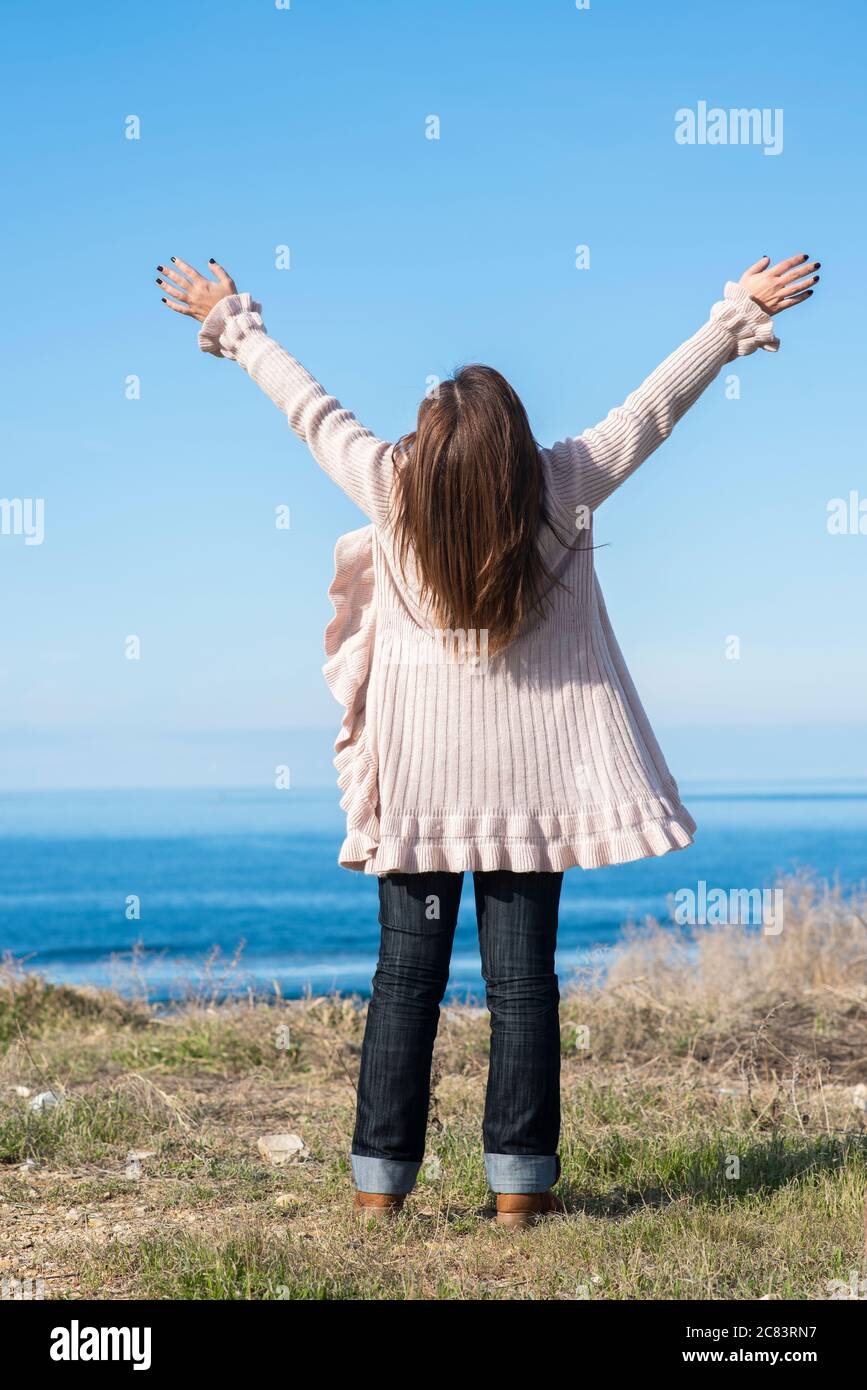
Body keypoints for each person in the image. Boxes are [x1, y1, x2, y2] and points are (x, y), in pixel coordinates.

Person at [156, 251, 819, 1225]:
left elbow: (309, 407)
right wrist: (735, 319)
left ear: (428, 445)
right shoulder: (563, 486)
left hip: (423, 793)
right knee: (524, 988)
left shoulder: (392, 487)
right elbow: (650, 410)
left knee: (403, 986)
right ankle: (519, 1191)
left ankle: (379, 1191)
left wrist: (234, 322)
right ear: (516, 444)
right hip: (530, 797)